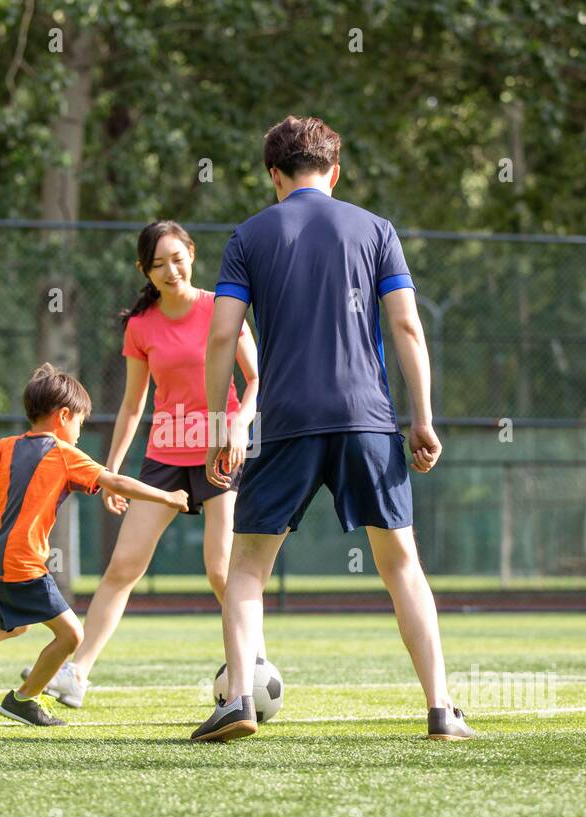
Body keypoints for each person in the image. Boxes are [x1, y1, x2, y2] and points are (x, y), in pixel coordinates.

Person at [191, 114, 474, 743]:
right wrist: (422, 418)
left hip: (285, 422)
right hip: (367, 419)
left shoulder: (249, 236)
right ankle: (440, 710)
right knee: (401, 563)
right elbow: (406, 328)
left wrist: (219, 424)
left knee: (246, 569)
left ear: (273, 175)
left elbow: (221, 336)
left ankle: (237, 701)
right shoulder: (375, 229)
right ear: (334, 172)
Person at [24, 221, 259, 708]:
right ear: (145, 271)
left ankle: (254, 662)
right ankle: (77, 674)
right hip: (163, 458)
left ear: (192, 254)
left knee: (220, 570)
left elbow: (256, 379)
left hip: (220, 451)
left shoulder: (223, 307)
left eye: (178, 258)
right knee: (123, 567)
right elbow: (133, 405)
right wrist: (111, 471)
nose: (171, 271)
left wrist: (237, 429)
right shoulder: (141, 326)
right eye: (159, 264)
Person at [0, 363, 188, 726]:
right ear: (63, 416)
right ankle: (24, 700)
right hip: (24, 564)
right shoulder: (63, 454)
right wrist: (168, 497)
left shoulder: (8, 447)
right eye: (80, 423)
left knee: (14, 624)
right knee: (73, 634)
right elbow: (117, 481)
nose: (79, 432)